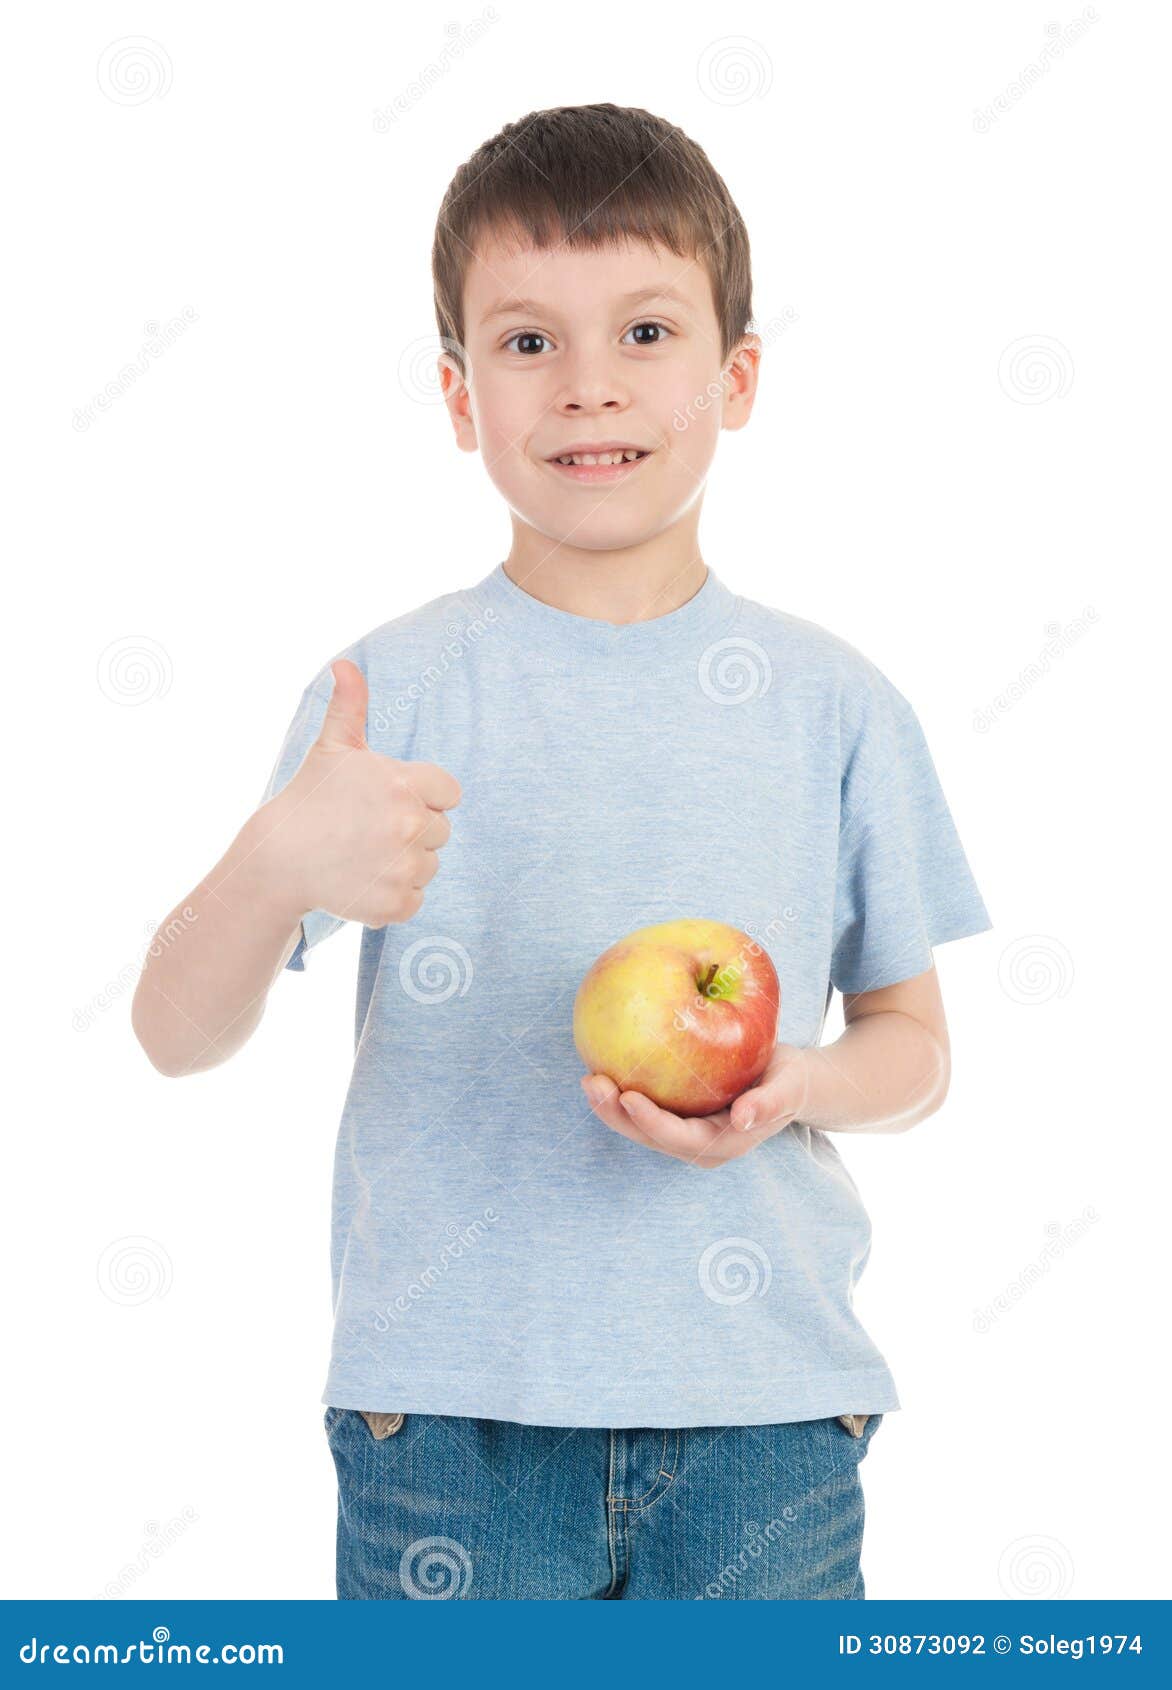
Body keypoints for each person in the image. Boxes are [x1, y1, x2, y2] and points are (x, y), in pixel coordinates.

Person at [132, 102, 992, 1601]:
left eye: (646, 332)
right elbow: (171, 1033)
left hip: (765, 1412)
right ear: (460, 397)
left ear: (737, 377)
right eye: (529, 342)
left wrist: (794, 1085)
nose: (590, 384)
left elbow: (915, 1051)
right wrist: (271, 867)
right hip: (445, 1424)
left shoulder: (837, 703)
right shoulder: (383, 696)